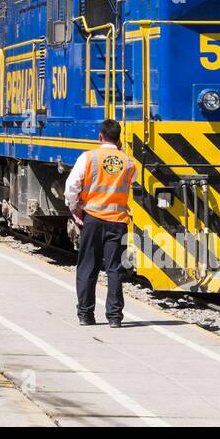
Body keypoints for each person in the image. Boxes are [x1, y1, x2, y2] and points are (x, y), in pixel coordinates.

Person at [66, 119, 135, 328]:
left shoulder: (88, 157)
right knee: (115, 268)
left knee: (88, 266)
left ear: (100, 136)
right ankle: (114, 317)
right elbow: (130, 184)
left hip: (93, 219)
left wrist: (74, 207)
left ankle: (86, 315)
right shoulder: (129, 162)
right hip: (118, 221)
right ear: (119, 138)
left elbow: (72, 185)